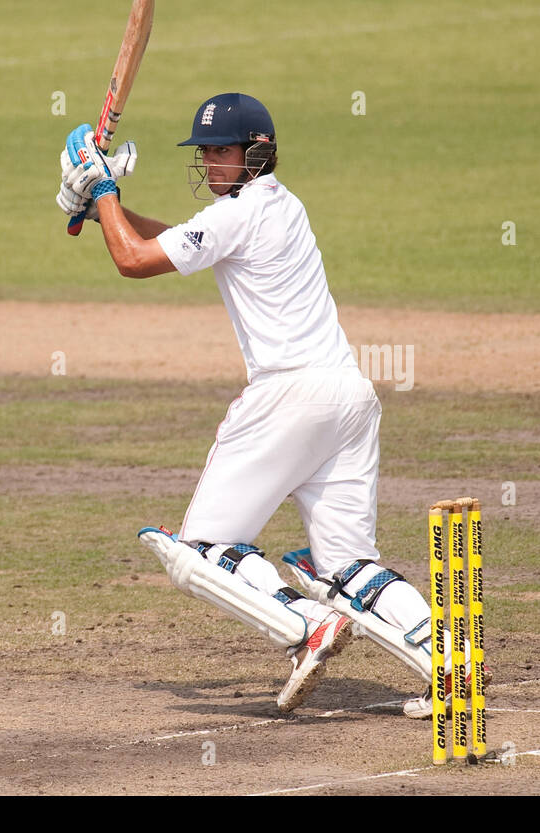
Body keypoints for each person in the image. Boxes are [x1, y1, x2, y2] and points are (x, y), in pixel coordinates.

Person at [56, 93, 441, 714]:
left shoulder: (239, 213)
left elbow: (133, 262)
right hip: (347, 396)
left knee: (200, 552)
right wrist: (108, 209)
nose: (211, 163)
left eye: (223, 150)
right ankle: (451, 664)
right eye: (205, 152)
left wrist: (102, 189)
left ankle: (304, 627)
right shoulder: (274, 207)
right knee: (344, 568)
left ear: (256, 152)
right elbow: (168, 241)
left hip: (287, 397)